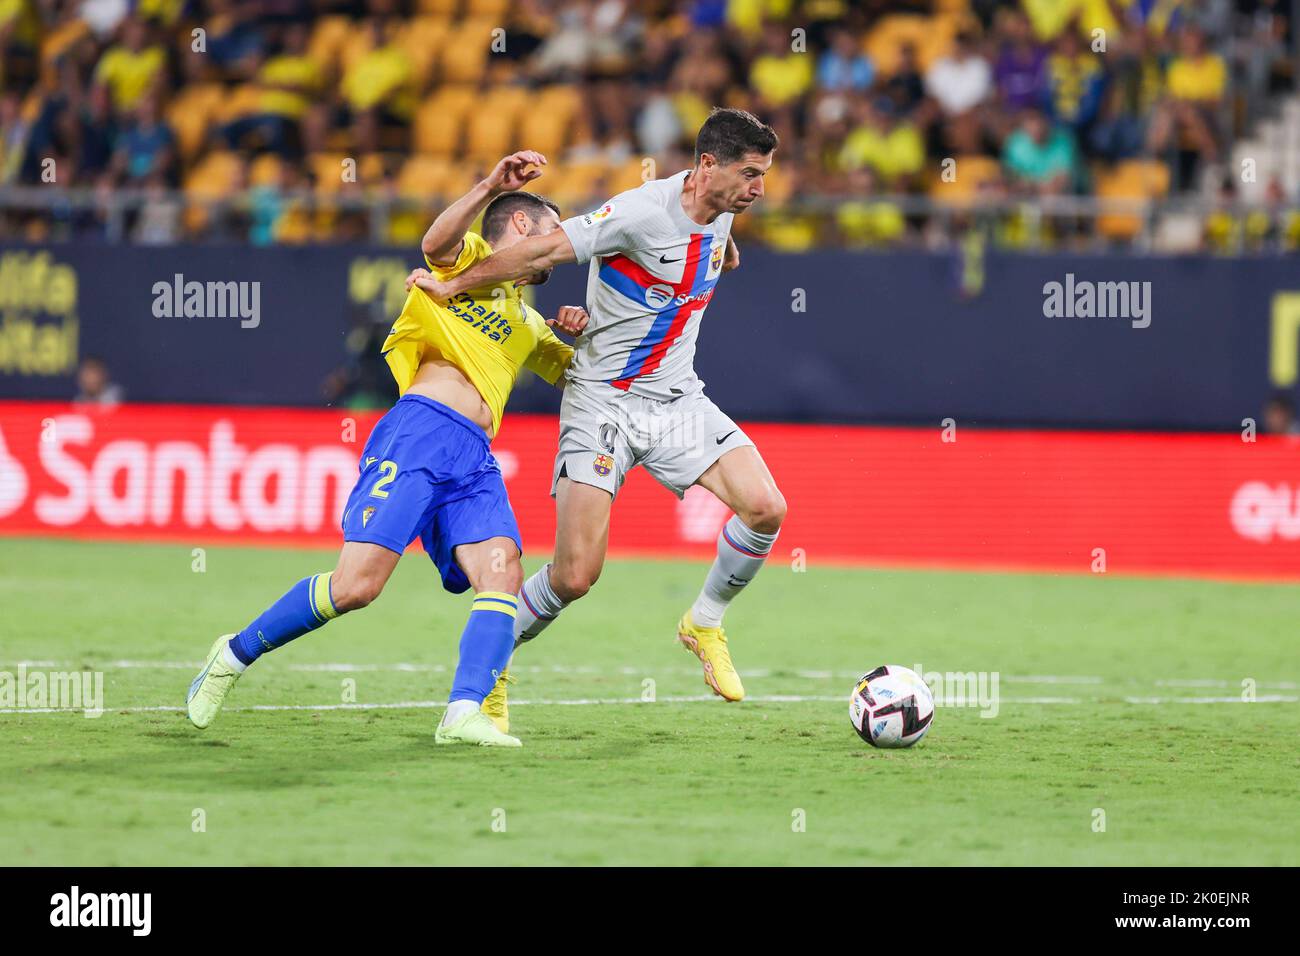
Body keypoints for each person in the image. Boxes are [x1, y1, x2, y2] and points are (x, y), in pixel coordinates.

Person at [184, 151, 588, 748]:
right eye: (556, 228)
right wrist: (487, 186)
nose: (564, 245)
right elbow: (437, 238)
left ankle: (463, 712)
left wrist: (582, 333)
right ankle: (233, 654)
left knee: (502, 573)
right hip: (420, 432)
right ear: (522, 227)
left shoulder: (529, 322)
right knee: (357, 588)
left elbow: (580, 376)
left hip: (474, 457)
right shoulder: (468, 261)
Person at [409, 109, 787, 706]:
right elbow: (545, 251)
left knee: (766, 508)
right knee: (574, 576)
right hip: (603, 402)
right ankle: (491, 667)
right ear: (706, 165)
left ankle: (704, 621)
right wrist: (453, 285)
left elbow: (718, 254)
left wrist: (723, 246)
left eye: (763, 174)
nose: (760, 188)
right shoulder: (637, 213)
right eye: (750, 173)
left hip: (677, 399)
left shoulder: (719, 214)